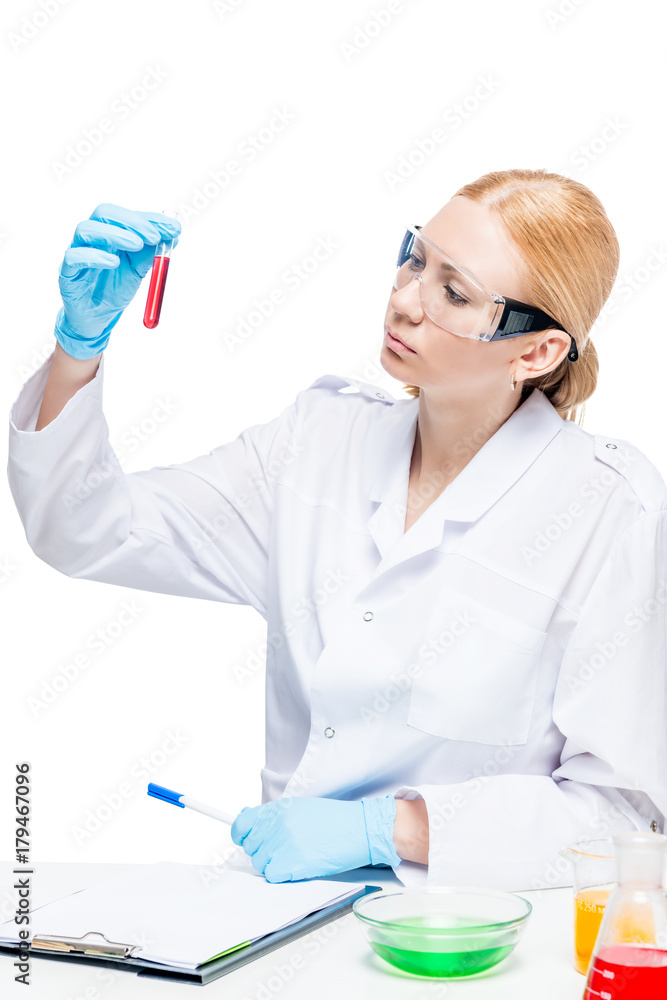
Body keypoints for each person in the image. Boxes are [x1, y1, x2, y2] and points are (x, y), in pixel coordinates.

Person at [7, 168, 667, 890]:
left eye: (453, 292)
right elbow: (87, 529)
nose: (406, 300)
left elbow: (622, 816)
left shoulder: (609, 513)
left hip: (469, 934)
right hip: (276, 910)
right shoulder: (316, 444)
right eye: (415, 258)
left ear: (536, 352)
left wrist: (386, 829)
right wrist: (79, 346)